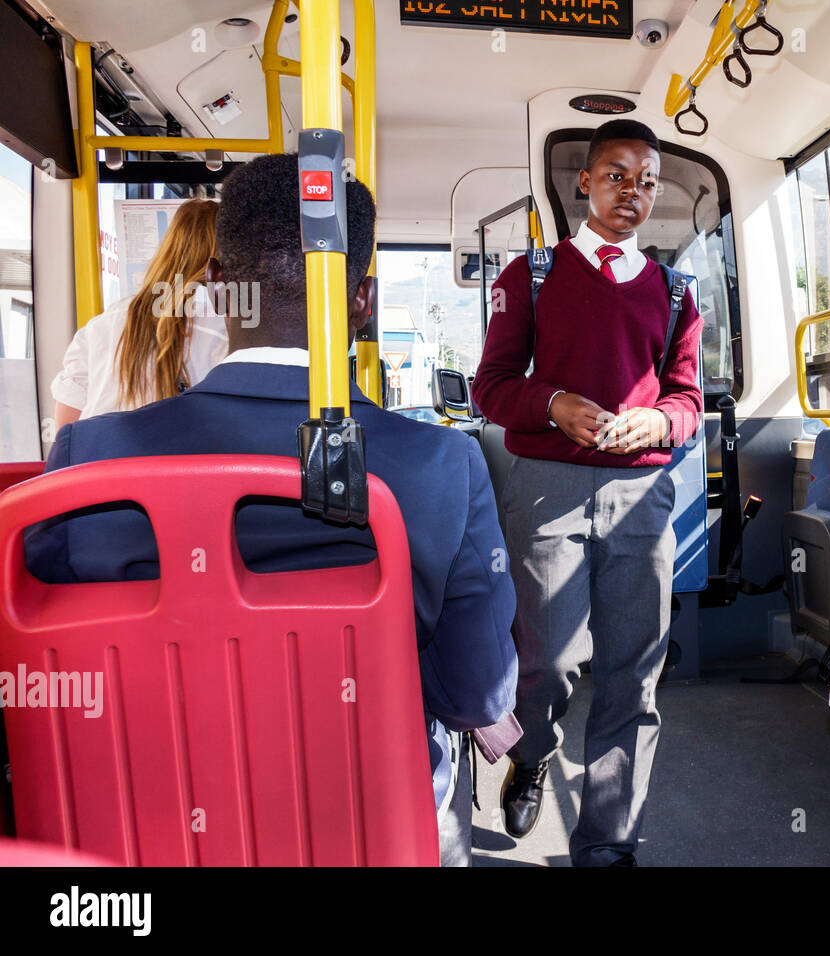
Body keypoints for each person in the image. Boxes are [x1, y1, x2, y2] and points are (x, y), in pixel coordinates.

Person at [25, 153, 517, 866]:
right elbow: (478, 692)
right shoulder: (442, 468)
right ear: (364, 300)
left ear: (219, 292)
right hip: (371, 819)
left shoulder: (87, 462)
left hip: (149, 823)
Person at [472, 118, 703, 866]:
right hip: (548, 489)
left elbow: (689, 402)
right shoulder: (531, 277)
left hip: (641, 496)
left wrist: (658, 422)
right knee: (547, 664)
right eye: (616, 175)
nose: (631, 192)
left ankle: (608, 839)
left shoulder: (675, 294)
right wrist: (552, 405)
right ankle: (532, 750)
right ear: (584, 181)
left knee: (634, 673)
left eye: (645, 180)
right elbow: (491, 389)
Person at [51, 198, 227, 426]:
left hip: (101, 458)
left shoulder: (108, 319)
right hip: (184, 457)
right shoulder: (226, 320)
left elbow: (67, 423)